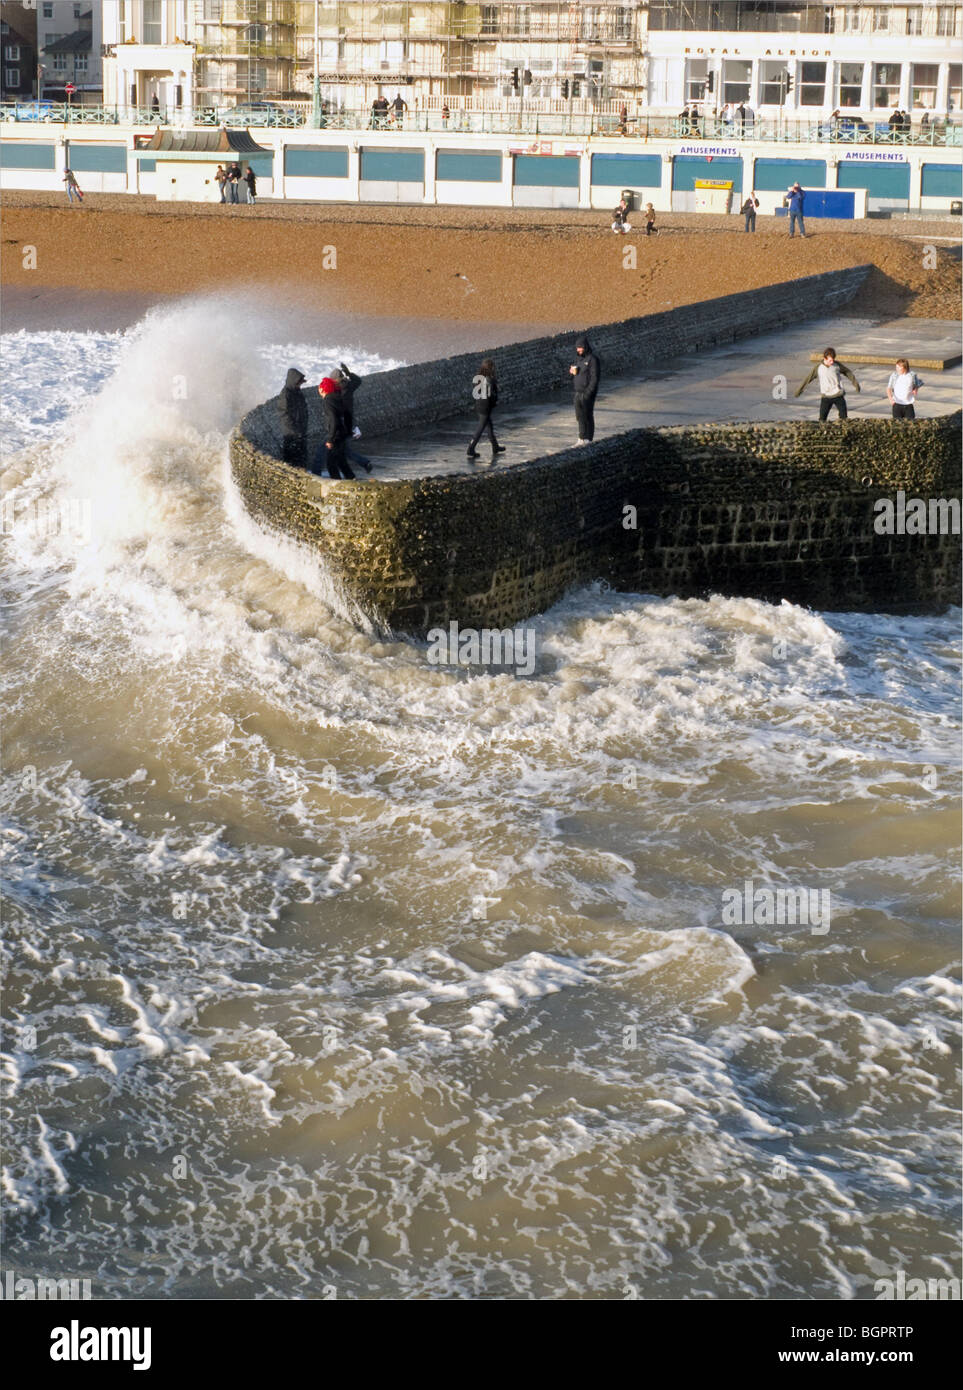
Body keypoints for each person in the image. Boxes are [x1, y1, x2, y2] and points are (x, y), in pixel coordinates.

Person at [795, 347, 860, 421]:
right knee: (822, 420)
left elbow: (848, 372)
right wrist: (799, 390)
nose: (832, 362)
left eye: (833, 360)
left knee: (844, 418)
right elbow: (808, 379)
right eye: (830, 360)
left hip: (838, 395)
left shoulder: (837, 365)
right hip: (826, 397)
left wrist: (856, 384)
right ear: (825, 358)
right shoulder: (818, 368)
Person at [332, 363, 372, 472]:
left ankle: (363, 464)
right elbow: (358, 381)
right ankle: (363, 464)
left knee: (340, 449)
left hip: (340, 421)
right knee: (342, 449)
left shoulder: (335, 391)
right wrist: (349, 373)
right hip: (348, 420)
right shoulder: (348, 386)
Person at [316, 378, 356, 480]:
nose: (318, 389)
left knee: (331, 463)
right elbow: (347, 414)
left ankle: (337, 484)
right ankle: (351, 479)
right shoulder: (338, 398)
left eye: (320, 387)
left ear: (324, 389)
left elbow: (333, 420)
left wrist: (330, 439)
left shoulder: (328, 401)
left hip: (336, 435)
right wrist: (348, 429)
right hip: (342, 433)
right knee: (341, 461)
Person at [467, 358, 505, 461]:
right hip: (485, 406)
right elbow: (491, 395)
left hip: (479, 405)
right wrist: (493, 402)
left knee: (489, 427)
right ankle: (470, 448)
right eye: (493, 367)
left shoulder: (477, 377)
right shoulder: (489, 379)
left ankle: (495, 446)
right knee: (480, 428)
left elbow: (475, 393)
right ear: (490, 368)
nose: (494, 369)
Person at [569, 335, 600, 444]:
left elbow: (595, 378)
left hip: (587, 393)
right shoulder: (577, 359)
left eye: (580, 347)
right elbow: (572, 375)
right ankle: (581, 438)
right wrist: (571, 373)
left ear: (585, 347)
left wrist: (588, 393)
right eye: (577, 347)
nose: (578, 349)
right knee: (579, 416)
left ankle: (588, 439)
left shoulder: (593, 359)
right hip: (577, 392)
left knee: (587, 415)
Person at [279, 367, 308, 467]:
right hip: (291, 435)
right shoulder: (286, 394)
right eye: (299, 383)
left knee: (302, 460)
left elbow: (303, 410)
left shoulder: (298, 393)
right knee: (292, 462)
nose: (300, 385)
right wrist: (295, 431)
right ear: (293, 381)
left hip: (300, 433)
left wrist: (302, 429)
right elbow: (284, 414)